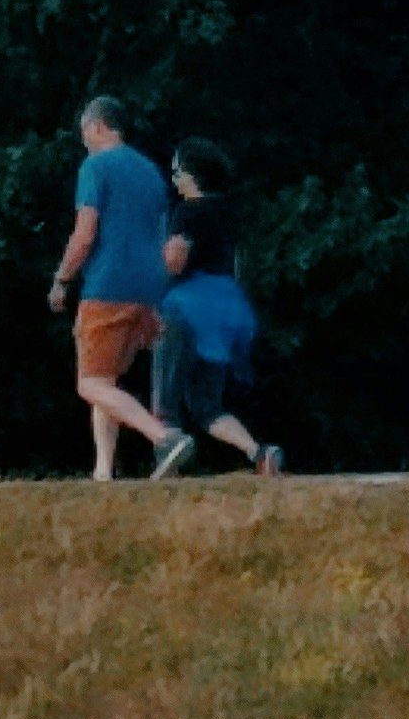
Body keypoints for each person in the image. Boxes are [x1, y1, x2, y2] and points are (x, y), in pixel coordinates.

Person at [44, 96, 176, 478]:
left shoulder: (96, 167)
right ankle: (103, 471)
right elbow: (163, 239)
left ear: (98, 126)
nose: (84, 140)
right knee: (108, 380)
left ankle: (164, 438)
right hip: (148, 291)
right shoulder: (151, 172)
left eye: (85, 132)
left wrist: (62, 279)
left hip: (107, 285)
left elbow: (84, 234)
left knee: (91, 384)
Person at [151, 139, 279, 476]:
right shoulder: (226, 212)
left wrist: (154, 268)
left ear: (192, 175)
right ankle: (258, 452)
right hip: (228, 310)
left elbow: (175, 261)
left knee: (165, 390)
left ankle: (168, 463)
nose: (174, 178)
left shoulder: (188, 212)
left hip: (188, 307)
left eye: (178, 171)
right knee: (206, 403)